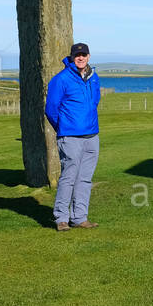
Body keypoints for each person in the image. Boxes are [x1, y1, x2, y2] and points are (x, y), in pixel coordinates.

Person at [45, 43, 101, 230]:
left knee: (85, 178)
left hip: (92, 135)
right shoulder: (61, 79)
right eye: (77, 55)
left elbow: (95, 102)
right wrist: (63, 128)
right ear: (71, 57)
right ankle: (61, 218)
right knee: (68, 177)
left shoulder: (94, 78)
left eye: (83, 54)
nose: (81, 57)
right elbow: (51, 109)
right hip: (70, 137)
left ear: (89, 56)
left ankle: (80, 218)